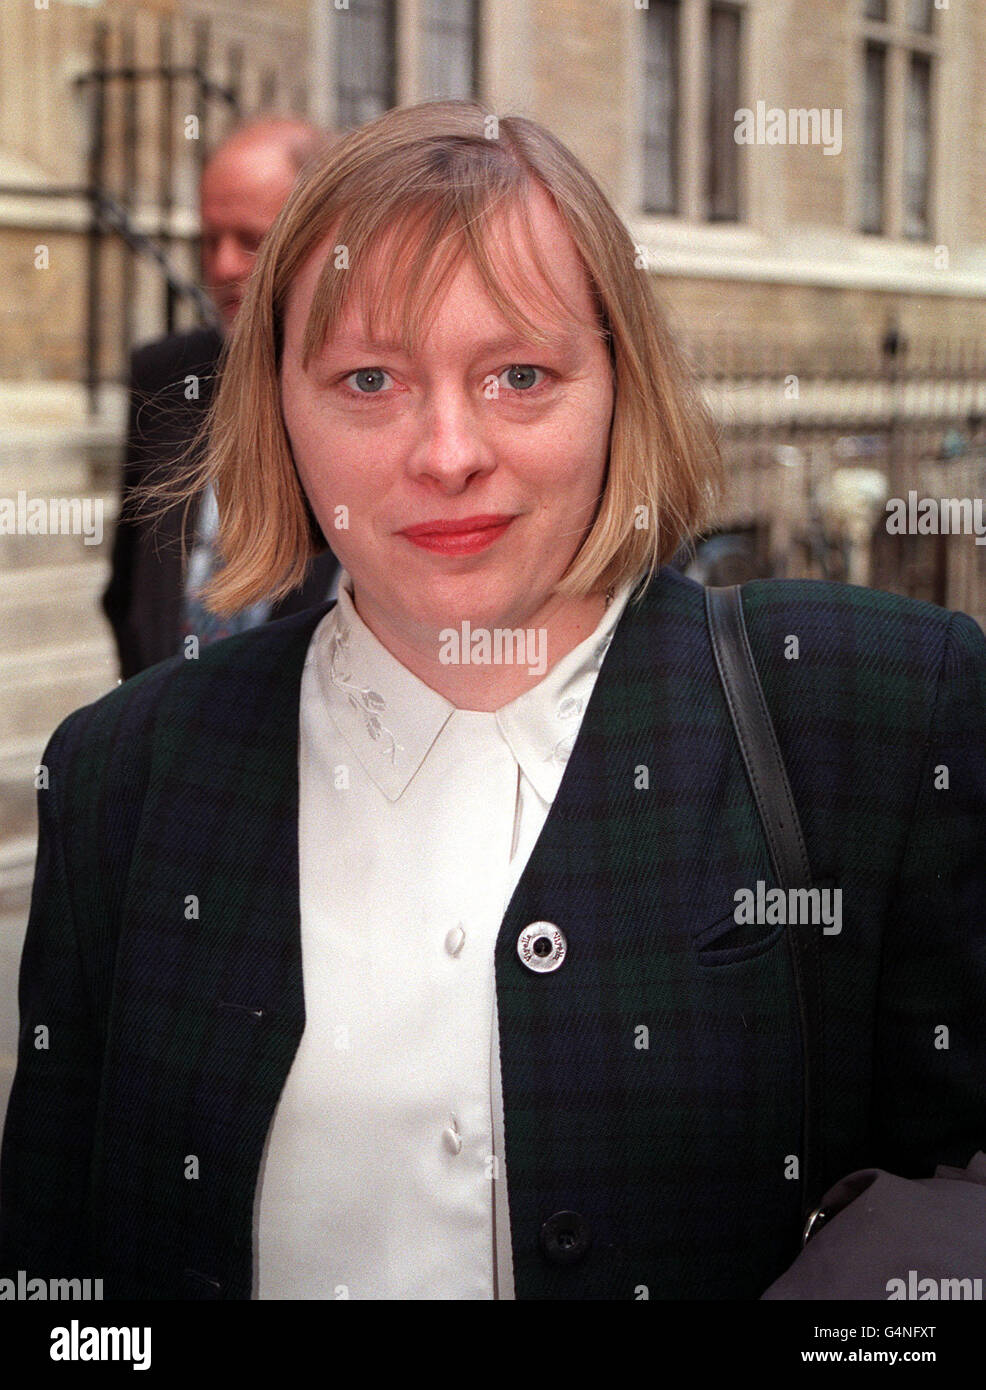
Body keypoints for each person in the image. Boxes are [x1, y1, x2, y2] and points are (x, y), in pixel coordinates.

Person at [2, 100, 984, 1301]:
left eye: (518, 373)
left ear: (617, 382)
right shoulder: (125, 774)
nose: (447, 450)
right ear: (276, 406)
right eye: (369, 378)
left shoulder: (869, 710)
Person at [101, 116, 340, 679]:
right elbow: (129, 590)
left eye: (251, 241)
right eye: (210, 240)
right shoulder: (164, 374)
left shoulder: (368, 393)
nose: (223, 266)